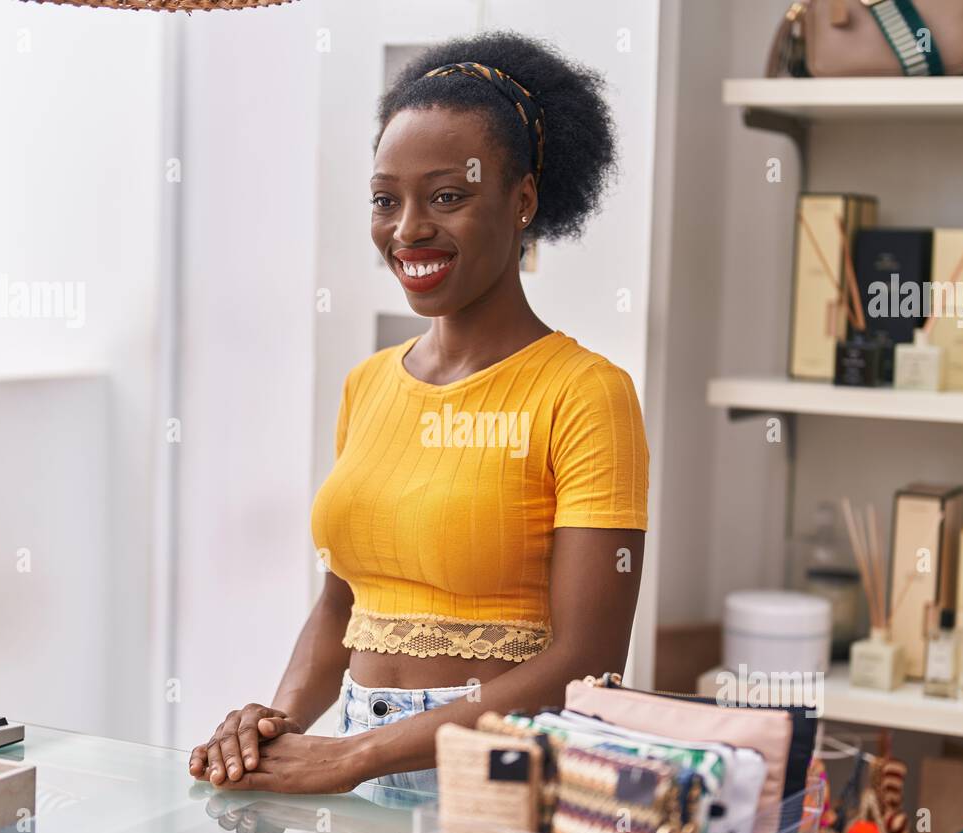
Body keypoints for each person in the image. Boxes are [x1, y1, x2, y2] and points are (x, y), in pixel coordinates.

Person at [189, 31, 649, 794]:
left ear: (523, 199)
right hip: (350, 765)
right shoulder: (367, 385)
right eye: (384, 199)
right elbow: (343, 600)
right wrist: (277, 725)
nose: (407, 230)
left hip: (495, 779)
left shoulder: (586, 393)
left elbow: (589, 662)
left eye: (447, 196)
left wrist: (358, 755)